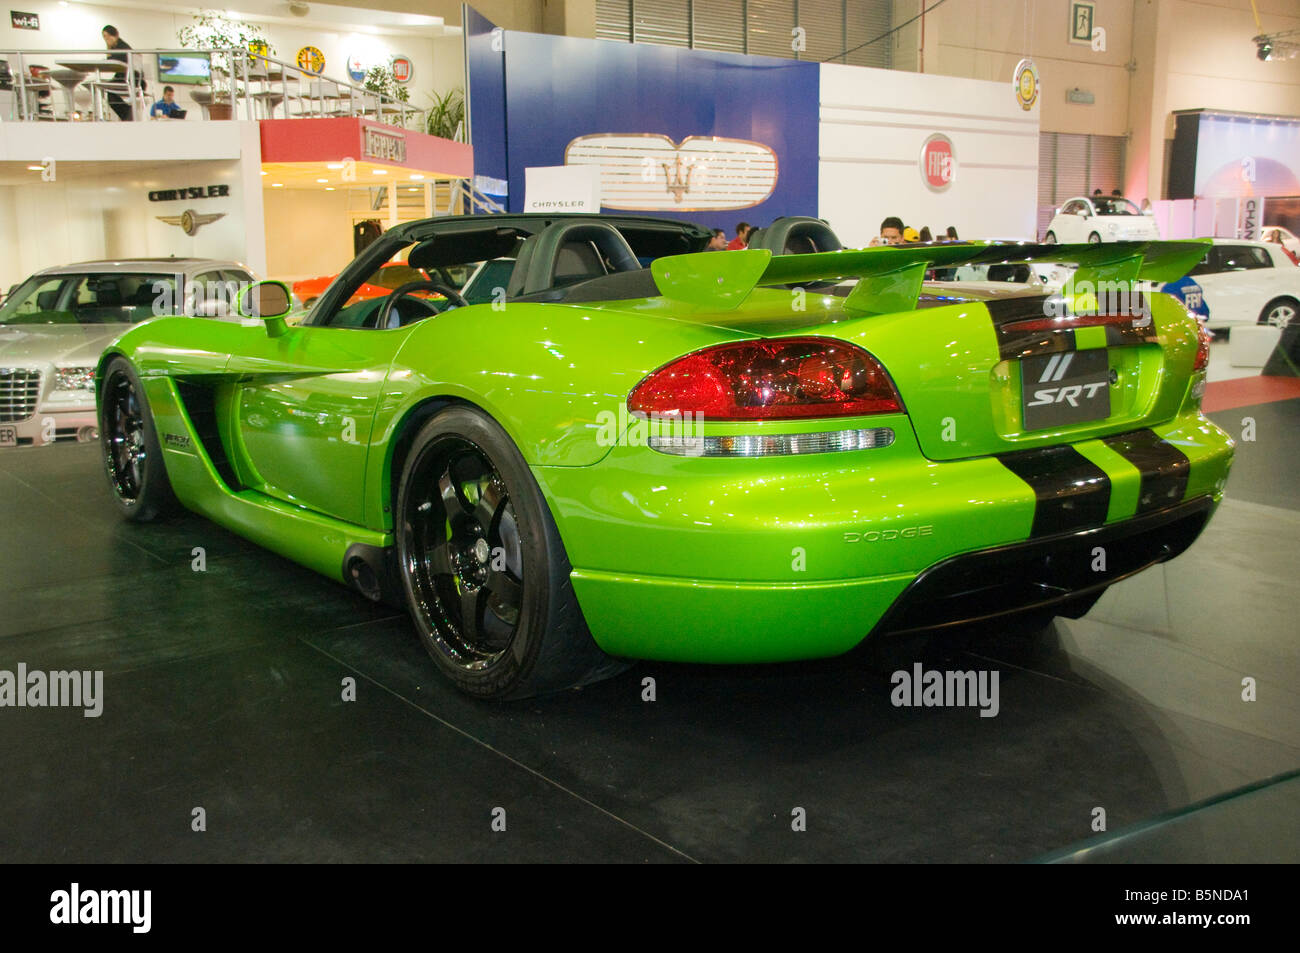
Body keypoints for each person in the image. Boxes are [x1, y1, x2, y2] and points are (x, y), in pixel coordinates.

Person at [102, 25, 145, 121]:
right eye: (104, 37)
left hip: (131, 79)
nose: (106, 39)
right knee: (107, 89)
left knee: (107, 90)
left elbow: (111, 61)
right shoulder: (119, 46)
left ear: (115, 35)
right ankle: (128, 114)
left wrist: (108, 48)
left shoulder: (121, 47)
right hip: (131, 78)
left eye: (107, 36)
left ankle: (128, 115)